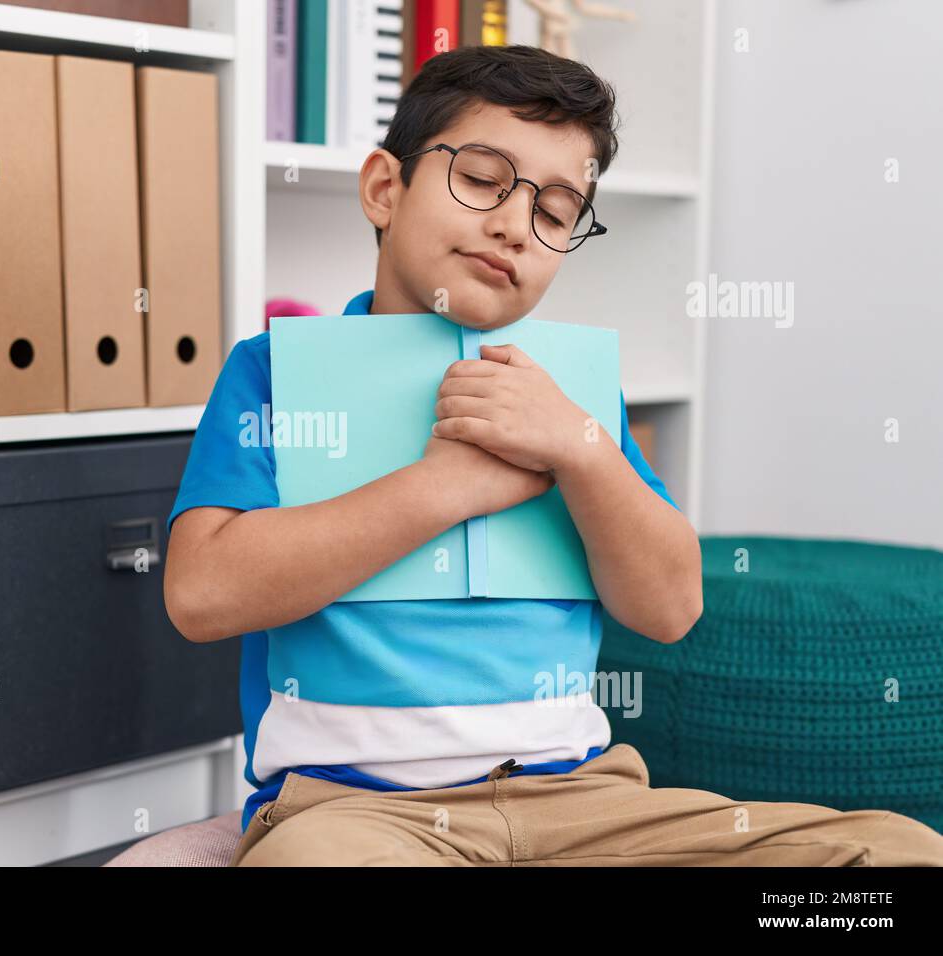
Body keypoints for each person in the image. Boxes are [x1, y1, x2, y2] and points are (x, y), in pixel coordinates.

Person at [163, 45, 943, 867]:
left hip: (582, 801)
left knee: (900, 852)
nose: (513, 226)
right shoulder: (274, 372)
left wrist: (582, 452)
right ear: (384, 189)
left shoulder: (571, 399)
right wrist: (445, 487)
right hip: (358, 810)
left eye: (557, 210)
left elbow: (671, 609)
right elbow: (201, 594)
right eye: (483, 179)